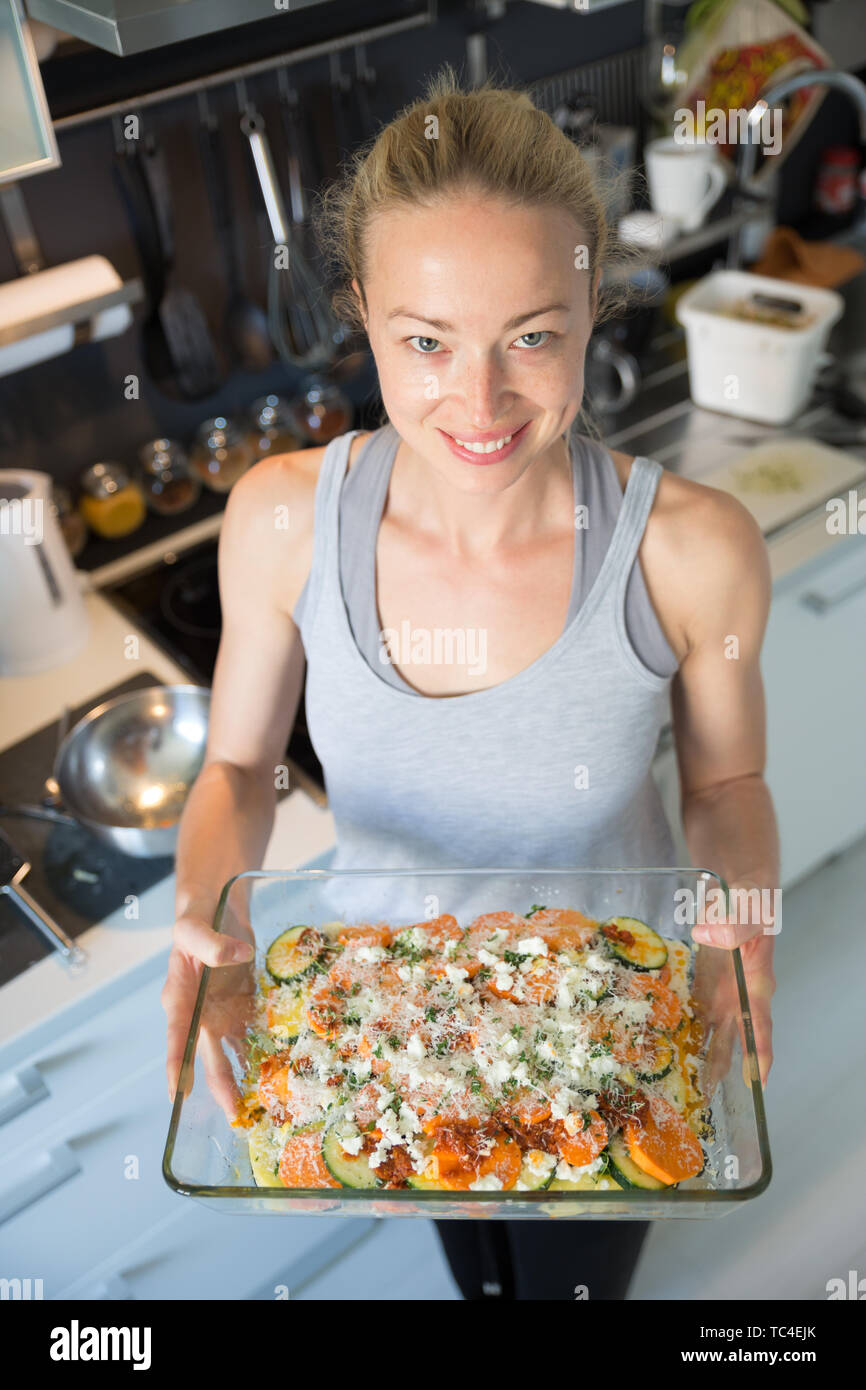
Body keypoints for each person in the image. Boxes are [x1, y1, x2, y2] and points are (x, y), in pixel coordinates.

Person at [162, 67, 778, 1301]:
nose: (479, 401)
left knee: (572, 1282)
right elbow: (235, 770)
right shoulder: (284, 519)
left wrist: (739, 908)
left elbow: (728, 780)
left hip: (602, 1023)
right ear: (362, 314)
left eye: (532, 335)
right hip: (384, 1028)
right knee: (475, 1267)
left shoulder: (690, 546)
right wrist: (211, 922)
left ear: (595, 301)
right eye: (425, 341)